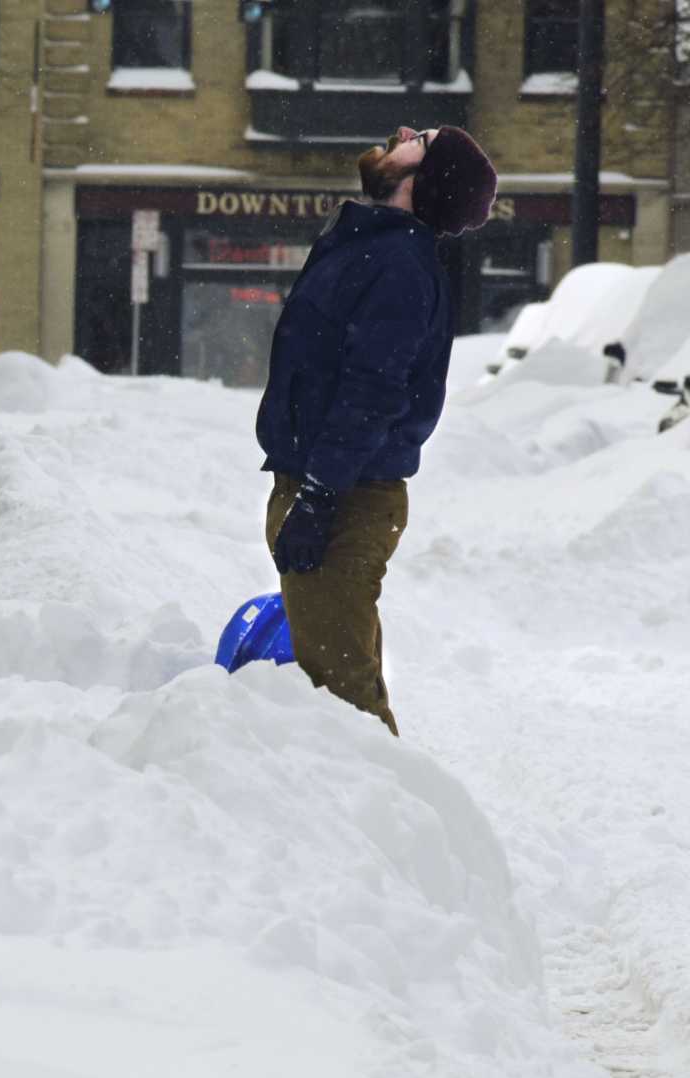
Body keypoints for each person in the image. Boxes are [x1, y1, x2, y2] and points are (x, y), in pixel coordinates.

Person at [254, 124, 497, 735]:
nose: (403, 132)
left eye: (422, 139)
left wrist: (319, 497)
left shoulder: (398, 266)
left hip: (347, 496)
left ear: (424, 180)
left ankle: (390, 826)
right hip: (330, 486)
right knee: (335, 683)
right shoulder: (368, 245)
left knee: (344, 704)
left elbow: (372, 394)